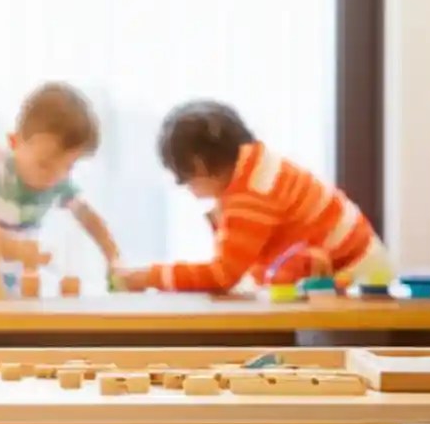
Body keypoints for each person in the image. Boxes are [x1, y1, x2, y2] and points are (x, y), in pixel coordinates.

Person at [111, 100, 392, 293]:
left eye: (184, 177)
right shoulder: (258, 168)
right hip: (357, 264)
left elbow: (223, 274)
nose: (187, 188)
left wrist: (149, 276)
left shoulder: (253, 192)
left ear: (199, 165)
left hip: (357, 276)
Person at [0, 82, 120, 289]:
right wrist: (6, 244)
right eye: (44, 164)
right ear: (14, 142)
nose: (54, 177)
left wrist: (113, 256)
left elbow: (87, 215)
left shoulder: (58, 180)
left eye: (69, 167)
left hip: (10, 278)